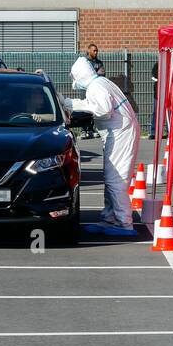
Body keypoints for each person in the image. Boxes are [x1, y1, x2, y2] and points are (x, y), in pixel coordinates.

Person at [68, 55, 138, 236]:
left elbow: (102, 110)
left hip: (120, 132)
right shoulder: (100, 83)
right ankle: (109, 219)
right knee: (111, 177)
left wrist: (73, 105)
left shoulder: (96, 87)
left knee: (116, 179)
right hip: (120, 131)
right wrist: (71, 103)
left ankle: (124, 224)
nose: (75, 83)